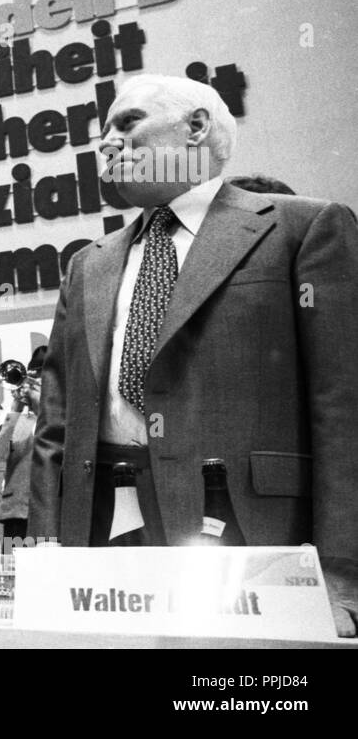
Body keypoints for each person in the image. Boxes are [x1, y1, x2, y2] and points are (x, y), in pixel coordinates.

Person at [29, 74, 358, 636]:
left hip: (251, 525)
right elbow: (55, 426)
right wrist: (42, 556)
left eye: (127, 123)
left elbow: (344, 408)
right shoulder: (89, 263)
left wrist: (342, 571)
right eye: (102, 131)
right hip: (99, 532)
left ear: (196, 127)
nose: (106, 143)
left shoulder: (302, 228)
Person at [0, 349, 44, 542]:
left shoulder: (65, 415)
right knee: (14, 571)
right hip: (17, 512)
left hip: (52, 510)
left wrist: (41, 408)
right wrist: (14, 412)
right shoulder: (14, 417)